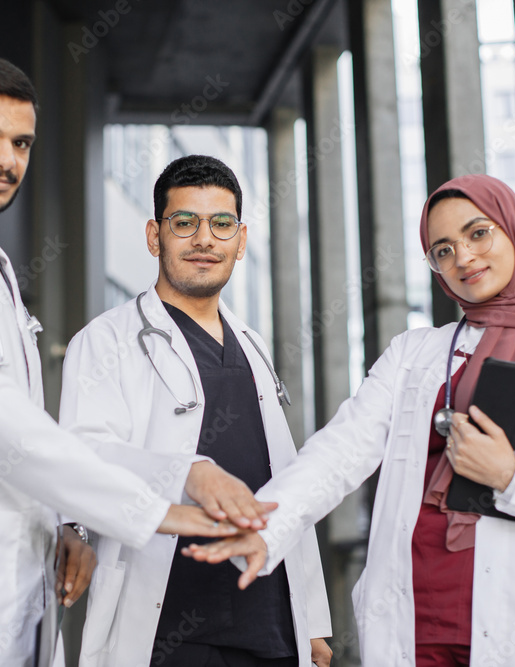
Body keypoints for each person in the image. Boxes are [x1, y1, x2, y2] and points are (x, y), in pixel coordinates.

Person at [0, 52, 272, 666]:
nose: (5, 160)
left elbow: (22, 433)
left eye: (21, 143)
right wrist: (152, 509)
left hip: (19, 578)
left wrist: (65, 525)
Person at [185, 174, 515, 666]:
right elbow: (340, 452)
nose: (462, 257)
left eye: (477, 233)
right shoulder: (415, 351)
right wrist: (265, 524)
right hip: (408, 623)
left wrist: (512, 477)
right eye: (442, 249)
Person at [57, 155, 333, 667]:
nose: (204, 239)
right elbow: (83, 456)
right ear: (153, 236)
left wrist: (311, 620)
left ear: (241, 240)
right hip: (169, 628)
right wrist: (189, 471)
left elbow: (285, 478)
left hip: (269, 624)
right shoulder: (106, 341)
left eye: (221, 224)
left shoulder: (254, 345)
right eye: (184, 222)